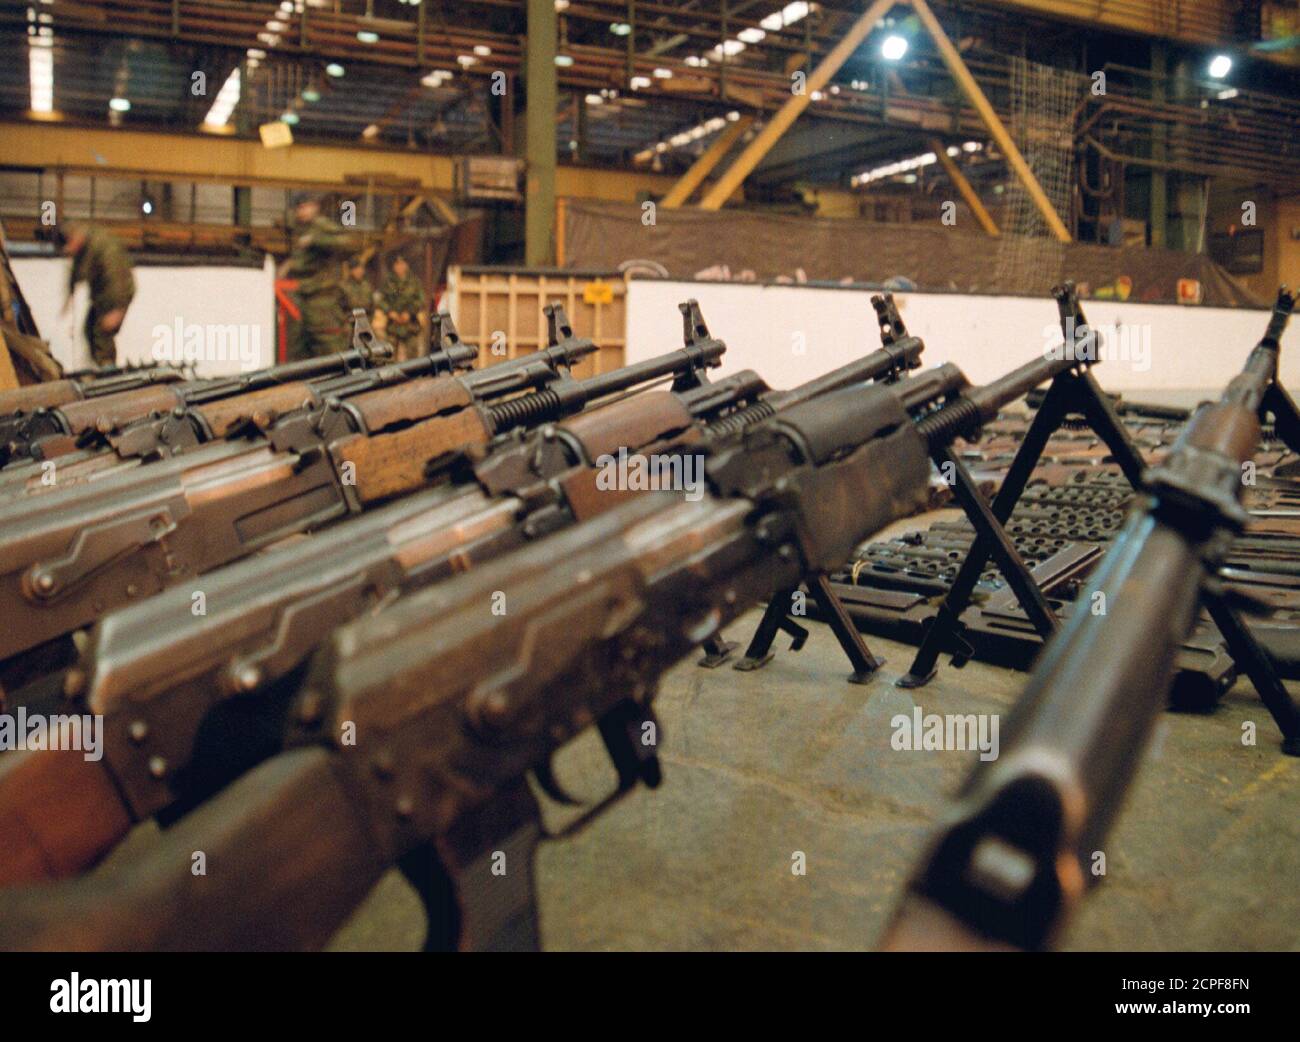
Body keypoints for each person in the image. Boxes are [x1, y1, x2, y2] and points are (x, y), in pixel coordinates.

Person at [279, 192, 355, 360]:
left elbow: (346, 242)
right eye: (299, 208)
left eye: (306, 206)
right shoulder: (301, 228)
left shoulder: (320, 226)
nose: (302, 211)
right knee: (300, 344)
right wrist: (289, 264)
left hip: (322, 296)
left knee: (327, 342)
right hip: (303, 294)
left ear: (315, 207)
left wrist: (316, 240)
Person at [60, 222, 135, 367]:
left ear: (75, 237)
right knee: (89, 330)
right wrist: (69, 294)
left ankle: (108, 371)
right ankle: (103, 368)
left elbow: (117, 277)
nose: (68, 250)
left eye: (69, 245)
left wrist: (118, 309)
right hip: (102, 297)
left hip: (116, 296)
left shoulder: (103, 246)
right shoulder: (85, 247)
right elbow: (77, 271)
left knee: (102, 334)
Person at [378, 255, 425, 361]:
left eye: (402, 264)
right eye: (397, 264)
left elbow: (421, 300)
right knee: (389, 357)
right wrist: (390, 312)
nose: (400, 267)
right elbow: (381, 300)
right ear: (393, 266)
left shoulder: (414, 282)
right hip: (392, 326)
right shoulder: (388, 282)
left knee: (413, 358)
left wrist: (409, 313)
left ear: (407, 265)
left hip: (410, 325)